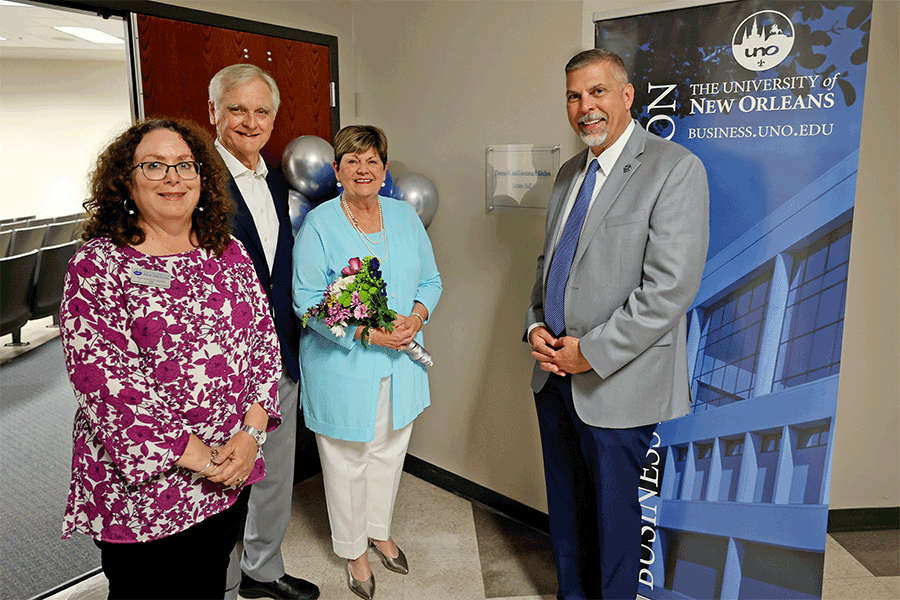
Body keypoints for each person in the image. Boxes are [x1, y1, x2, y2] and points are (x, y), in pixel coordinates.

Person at [59, 117, 283, 599]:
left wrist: (250, 436)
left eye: (185, 165)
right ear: (126, 179)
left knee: (207, 585)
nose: (173, 177)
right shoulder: (100, 265)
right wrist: (203, 459)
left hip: (229, 471)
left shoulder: (229, 253)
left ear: (203, 178)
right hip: (148, 493)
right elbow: (105, 383)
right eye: (154, 165)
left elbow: (265, 346)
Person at [525, 49, 709, 600]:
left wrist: (591, 353)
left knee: (616, 523)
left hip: (615, 379)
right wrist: (534, 325)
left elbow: (669, 289)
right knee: (568, 511)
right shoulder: (567, 174)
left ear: (627, 96)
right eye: (575, 96)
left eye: (598, 92)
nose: (586, 108)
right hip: (551, 376)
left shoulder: (673, 168)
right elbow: (548, 265)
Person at [292, 125, 441, 600]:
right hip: (344, 368)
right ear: (337, 171)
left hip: (401, 366)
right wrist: (368, 332)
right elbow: (308, 302)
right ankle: (354, 551)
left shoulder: (404, 216)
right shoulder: (319, 223)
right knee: (346, 463)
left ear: (384, 170)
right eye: (352, 161)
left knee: (389, 454)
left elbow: (432, 281)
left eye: (372, 161)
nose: (362, 169)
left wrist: (415, 319)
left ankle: (379, 530)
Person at [208, 63, 320, 600]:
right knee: (220, 477)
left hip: (281, 351)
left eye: (261, 111)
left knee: (274, 470)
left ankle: (263, 570)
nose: (250, 122)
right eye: (237, 109)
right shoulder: (193, 179)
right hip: (219, 367)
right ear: (214, 113)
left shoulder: (274, 175)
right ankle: (221, 581)